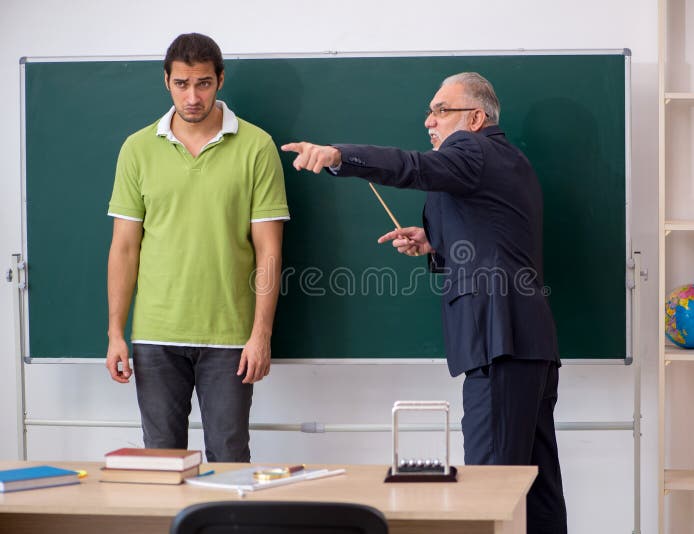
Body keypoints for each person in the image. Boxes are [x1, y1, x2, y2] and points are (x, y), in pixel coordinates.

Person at [282, 72, 567, 533]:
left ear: (475, 118)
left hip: (500, 341)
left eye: (441, 110)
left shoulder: (471, 149)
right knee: (536, 487)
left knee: (489, 487)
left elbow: (412, 167)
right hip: (530, 341)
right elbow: (496, 237)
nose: (428, 121)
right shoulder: (508, 159)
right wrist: (436, 242)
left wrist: (340, 157)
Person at [105, 33, 289, 462]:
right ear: (166, 82)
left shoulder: (256, 146)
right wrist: (116, 332)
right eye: (182, 84)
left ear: (220, 80)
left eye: (203, 83)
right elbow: (124, 249)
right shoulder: (137, 149)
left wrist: (261, 334)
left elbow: (269, 251)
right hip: (155, 335)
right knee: (161, 461)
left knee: (229, 457)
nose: (192, 96)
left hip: (230, 336)